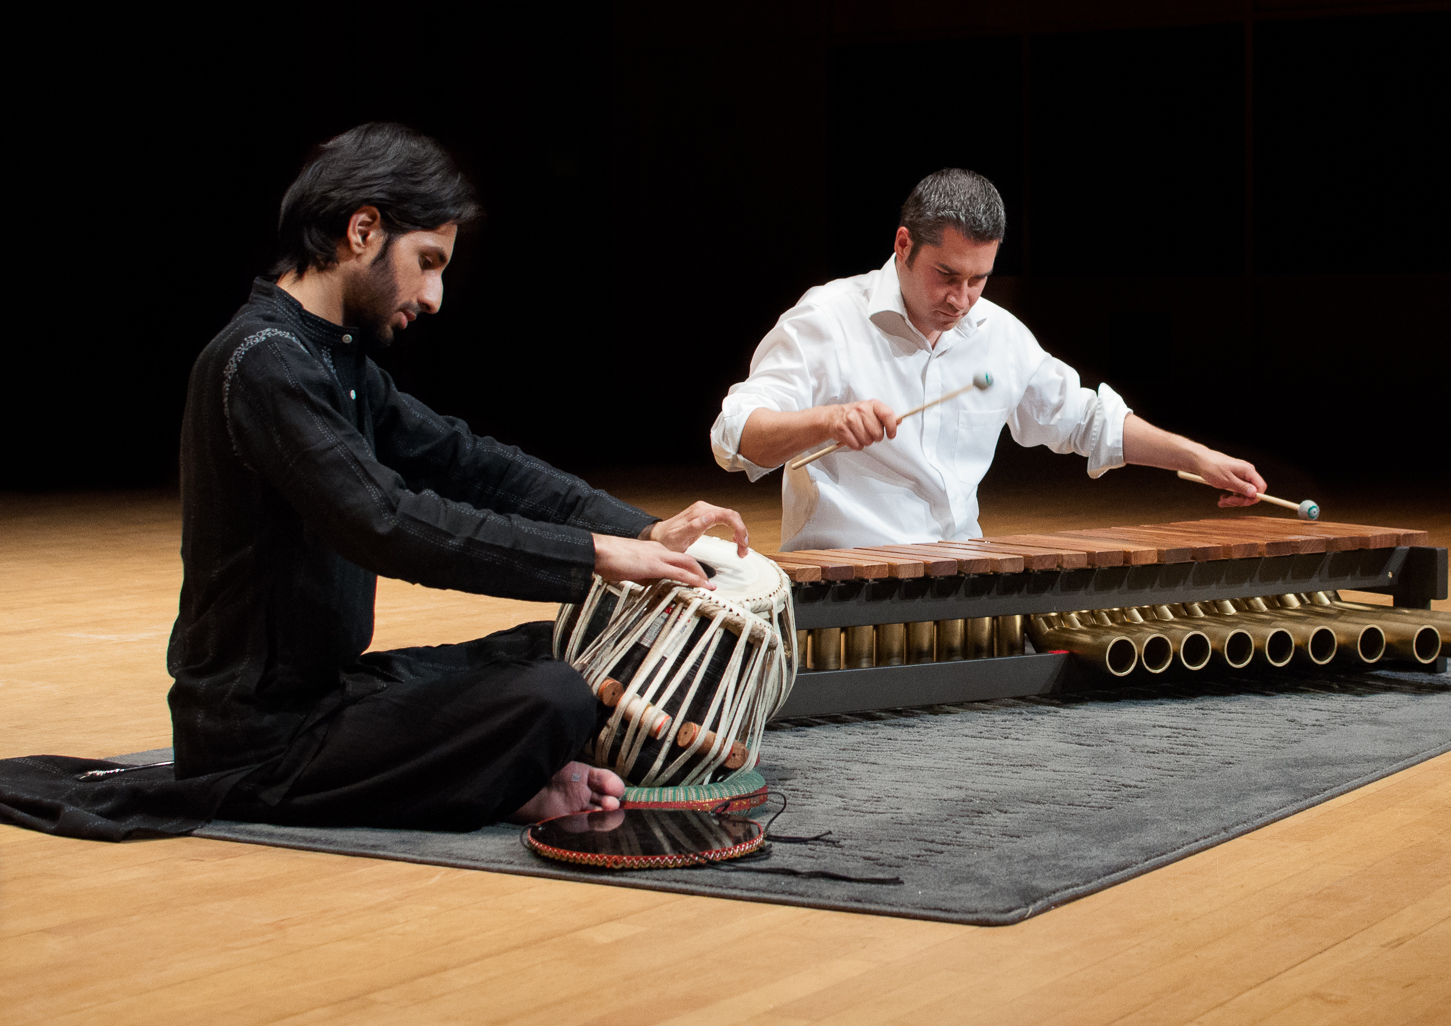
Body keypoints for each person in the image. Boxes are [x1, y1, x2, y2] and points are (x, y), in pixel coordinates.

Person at [169, 122, 748, 831]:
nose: (435, 295)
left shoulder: (332, 359)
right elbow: (389, 523)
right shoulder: (261, 361)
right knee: (556, 694)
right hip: (259, 737)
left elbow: (470, 461)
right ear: (362, 230)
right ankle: (505, 779)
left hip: (333, 691)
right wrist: (596, 556)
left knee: (563, 645)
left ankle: (505, 773)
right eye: (428, 260)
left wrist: (641, 529)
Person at [710, 168, 1267, 551]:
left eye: (979, 278)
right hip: (845, 578)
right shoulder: (827, 318)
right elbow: (734, 436)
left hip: (959, 569)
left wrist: (1197, 458)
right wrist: (825, 420)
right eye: (946, 275)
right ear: (903, 245)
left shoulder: (997, 333)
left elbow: (1087, 420)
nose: (961, 298)